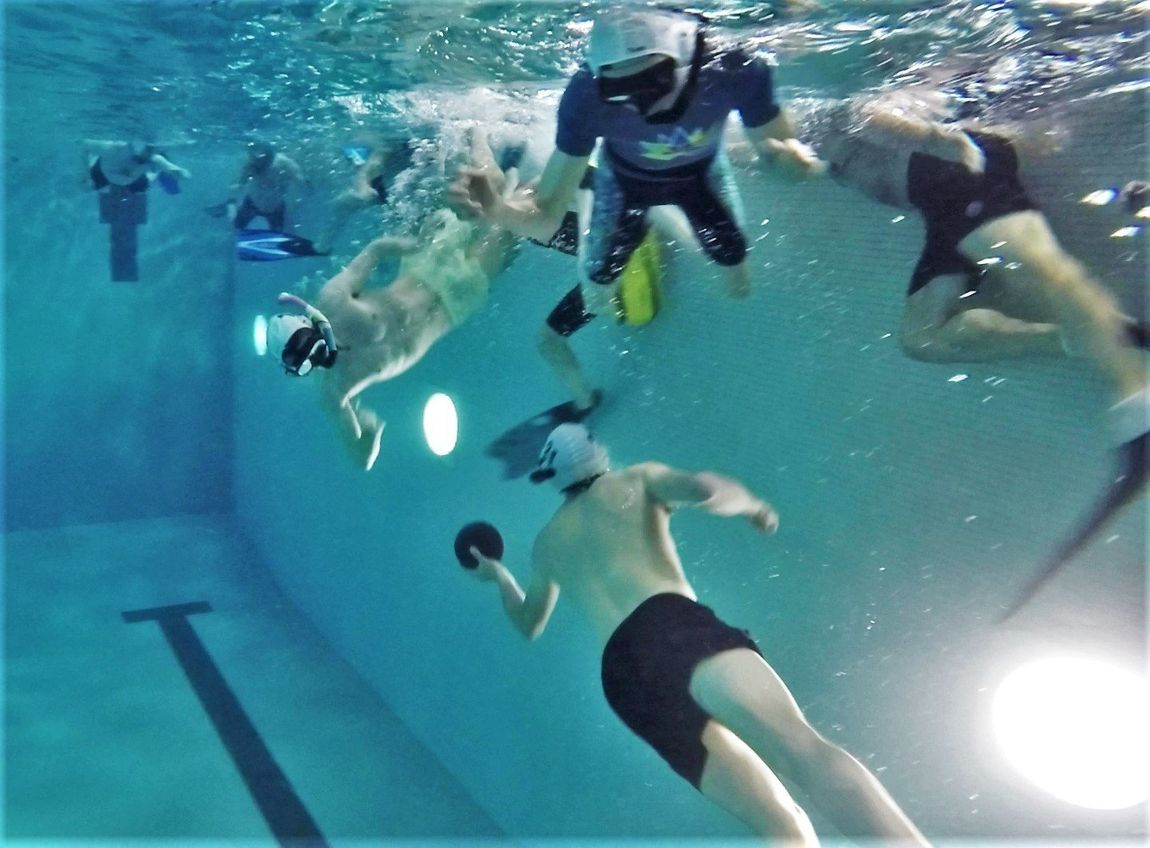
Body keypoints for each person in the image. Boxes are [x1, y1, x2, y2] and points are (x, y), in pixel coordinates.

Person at [468, 422, 930, 846]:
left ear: (552, 477)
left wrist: (499, 578)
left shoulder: (548, 544)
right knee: (802, 752)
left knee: (779, 823)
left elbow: (528, 624)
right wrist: (754, 506)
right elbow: (708, 489)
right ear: (599, 455)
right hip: (669, 626)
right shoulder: (635, 479)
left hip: (624, 681)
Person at [807, 95, 1148, 613]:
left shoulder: (804, 98)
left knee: (1042, 270)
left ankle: (1137, 397)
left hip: (960, 171)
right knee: (923, 337)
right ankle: (1109, 338)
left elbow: (873, 106)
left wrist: (943, 138)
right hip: (938, 206)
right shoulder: (768, 126)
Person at [450, 7, 823, 316]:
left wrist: (789, 163)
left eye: (651, 84)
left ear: (690, 56)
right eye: (618, 92)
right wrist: (497, 210)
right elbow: (547, 213)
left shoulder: (734, 70)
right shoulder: (586, 98)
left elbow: (777, 152)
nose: (640, 107)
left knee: (734, 260)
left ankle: (728, 265)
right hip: (624, 183)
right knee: (598, 284)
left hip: (701, 175)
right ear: (599, 80)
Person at [264, 129, 518, 471]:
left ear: (309, 323)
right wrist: (371, 434)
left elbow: (376, 250)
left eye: (310, 345)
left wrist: (417, 244)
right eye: (309, 359)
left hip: (423, 265)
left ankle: (478, 133)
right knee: (512, 221)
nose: (322, 354)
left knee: (474, 192)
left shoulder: (333, 299)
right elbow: (361, 461)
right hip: (458, 300)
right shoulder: (335, 391)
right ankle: (514, 167)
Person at [314, 139, 415, 254]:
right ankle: (323, 246)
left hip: (406, 191)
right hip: (382, 187)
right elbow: (366, 171)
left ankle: (395, 253)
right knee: (343, 203)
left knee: (402, 222)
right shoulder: (386, 148)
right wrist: (364, 190)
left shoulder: (423, 147)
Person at [228, 141, 309, 231]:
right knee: (237, 225)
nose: (257, 163)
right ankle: (231, 204)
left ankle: (231, 204)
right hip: (253, 202)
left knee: (280, 231)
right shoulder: (251, 163)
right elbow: (241, 182)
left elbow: (301, 180)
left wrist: (306, 186)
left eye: (259, 160)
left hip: (275, 207)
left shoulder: (285, 164)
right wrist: (236, 186)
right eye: (253, 158)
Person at [82, 139, 191, 193]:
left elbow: (183, 173)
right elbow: (83, 144)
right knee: (88, 187)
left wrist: (178, 173)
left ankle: (153, 173)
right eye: (147, 151)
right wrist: (86, 174)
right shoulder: (113, 149)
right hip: (104, 173)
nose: (149, 156)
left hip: (132, 181)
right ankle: (95, 160)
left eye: (151, 151)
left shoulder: (152, 157)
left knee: (143, 187)